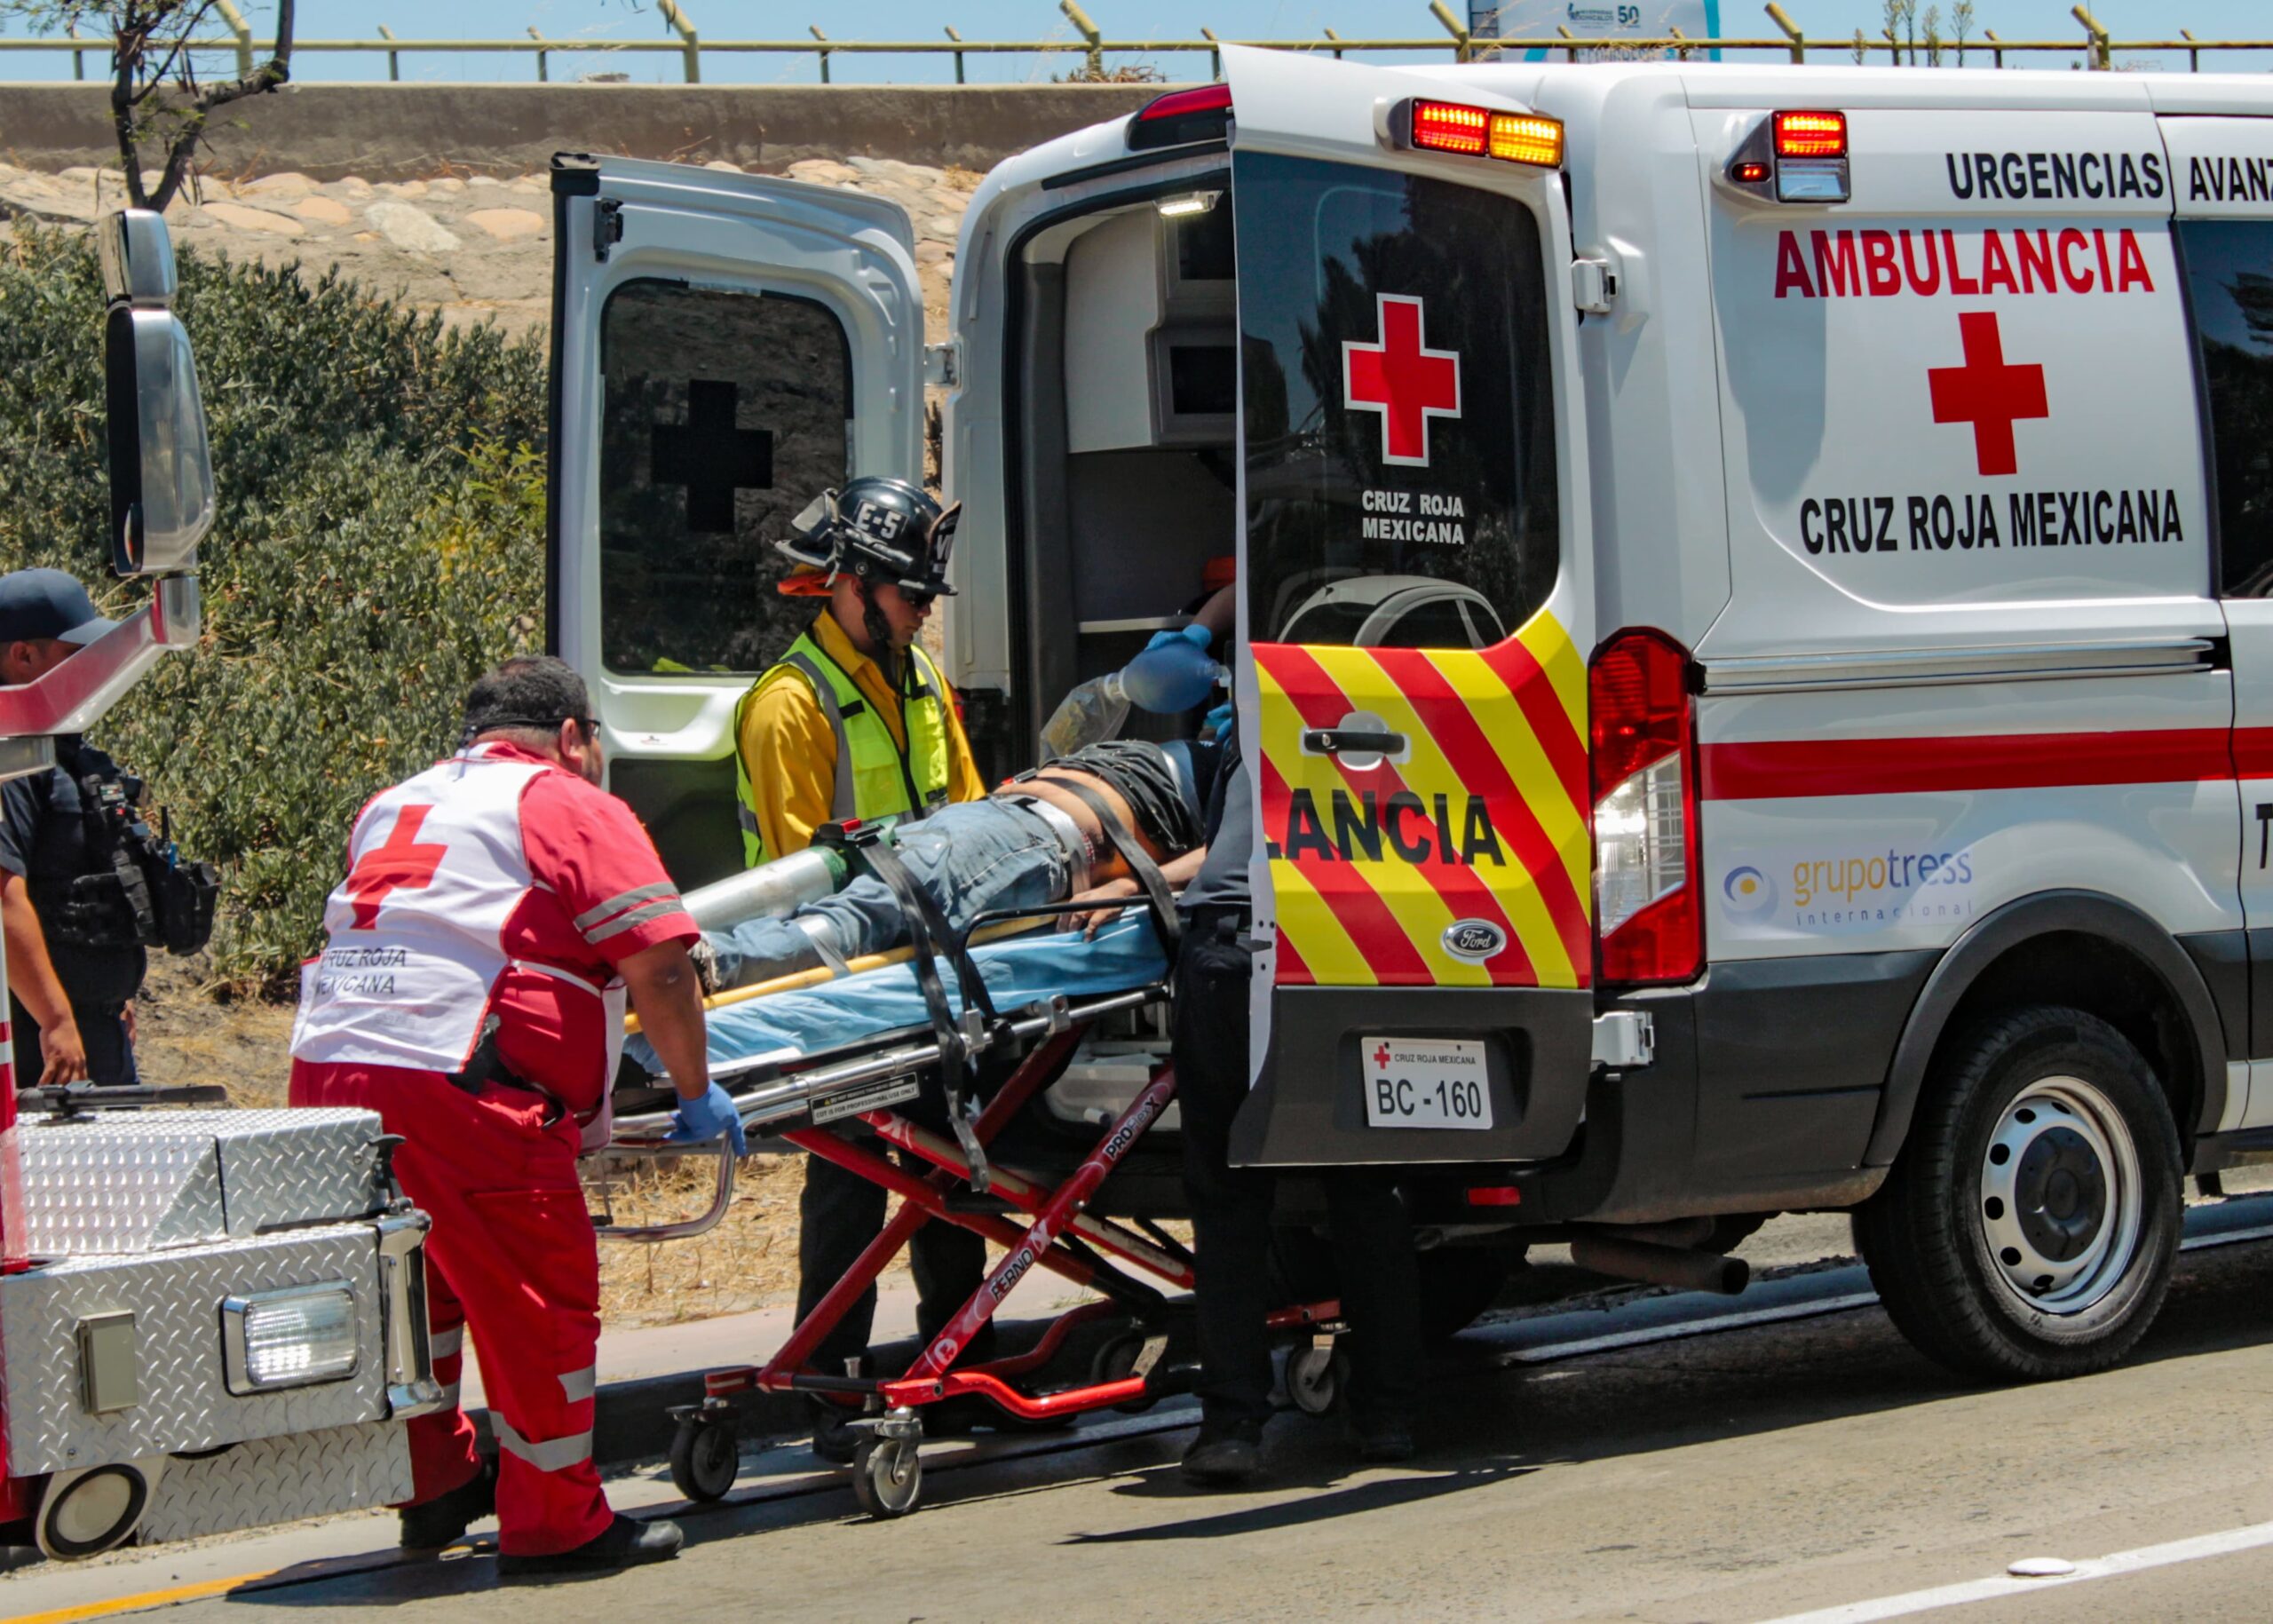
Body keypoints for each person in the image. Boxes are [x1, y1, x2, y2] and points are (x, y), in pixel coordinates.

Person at [289, 655, 743, 1578]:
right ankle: (555, 1521)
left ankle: (437, 1484)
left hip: (333, 1073)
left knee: (418, 1294)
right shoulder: (562, 800)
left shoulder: (393, 802)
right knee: (535, 1298)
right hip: (462, 1082)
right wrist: (696, 1091)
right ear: (572, 737)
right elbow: (659, 963)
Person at [732, 474, 995, 1462]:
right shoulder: (789, 707)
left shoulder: (922, 680)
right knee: (848, 1184)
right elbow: (794, 878)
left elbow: (969, 811)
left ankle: (957, 1356)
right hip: (844, 980)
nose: (924, 612)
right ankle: (830, 1380)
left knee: (955, 1163)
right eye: (910, 595)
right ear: (852, 583)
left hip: (937, 963)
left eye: (925, 598)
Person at [1172, 661, 1426, 1487]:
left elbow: (1219, 851)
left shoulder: (1249, 707)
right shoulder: (1397, 713)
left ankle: (1230, 1426)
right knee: (1369, 1185)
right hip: (1332, 939)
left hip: (1226, 943)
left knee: (1229, 1198)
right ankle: (1388, 1413)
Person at [706, 736, 1217, 989]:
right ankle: (697, 960)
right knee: (858, 916)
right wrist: (1133, 888)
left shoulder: (1250, 768)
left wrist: (1133, 888)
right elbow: (1243, 849)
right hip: (1023, 836)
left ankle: (684, 951)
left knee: (857, 913)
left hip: (1007, 832)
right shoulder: (1250, 755)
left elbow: (1247, 851)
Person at [0, 567, 210, 1088]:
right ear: (22, 656)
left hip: (93, 1023)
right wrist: (55, 1020)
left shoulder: (63, 749)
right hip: (40, 1041)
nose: (94, 670)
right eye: (77, 654)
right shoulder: (12, 758)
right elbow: (4, 897)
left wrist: (115, 994)